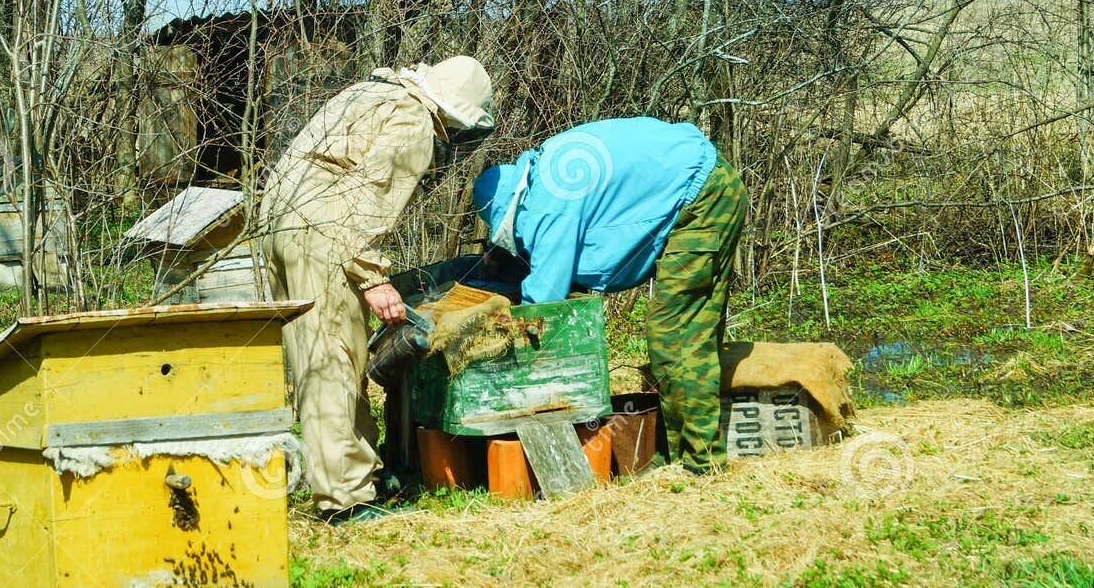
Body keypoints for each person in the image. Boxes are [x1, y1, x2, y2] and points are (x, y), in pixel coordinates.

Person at [259, 57, 496, 522]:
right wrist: (373, 276)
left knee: (323, 358)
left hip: (278, 224)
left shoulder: (371, 93)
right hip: (324, 233)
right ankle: (344, 499)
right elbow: (364, 197)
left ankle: (357, 470)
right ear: (456, 113)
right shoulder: (413, 120)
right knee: (334, 362)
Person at [471, 117, 747, 470]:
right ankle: (680, 451)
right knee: (688, 332)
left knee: (677, 333)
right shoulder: (548, 172)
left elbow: (546, 298)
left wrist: (508, 352)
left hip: (703, 198)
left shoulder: (548, 204)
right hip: (707, 183)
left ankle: (700, 464)